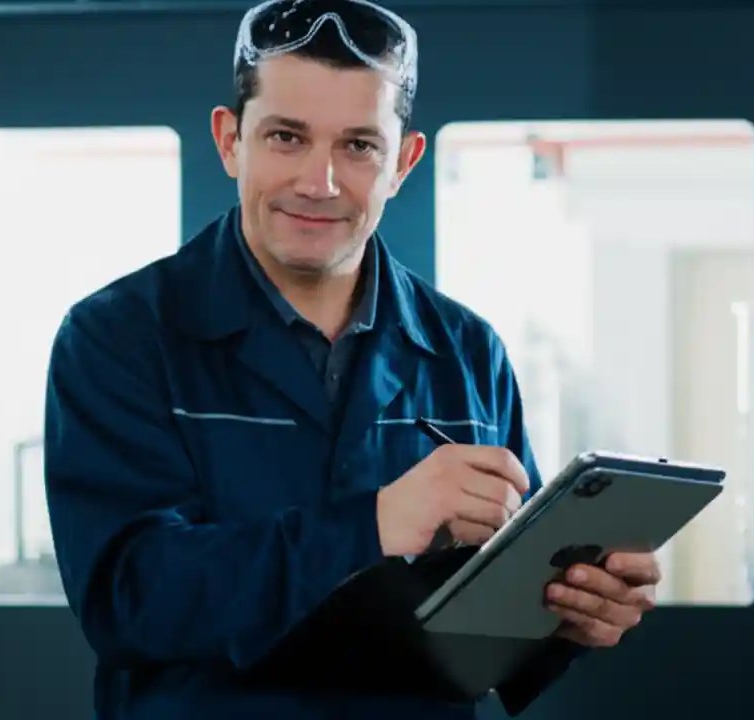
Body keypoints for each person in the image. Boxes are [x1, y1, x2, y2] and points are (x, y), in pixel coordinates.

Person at [43, 1, 662, 717]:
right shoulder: (120, 338)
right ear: (229, 141)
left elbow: (490, 624)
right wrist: (370, 526)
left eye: (359, 146)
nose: (321, 182)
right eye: (286, 137)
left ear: (403, 161)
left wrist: (575, 615)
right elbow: (130, 599)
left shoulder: (468, 354)